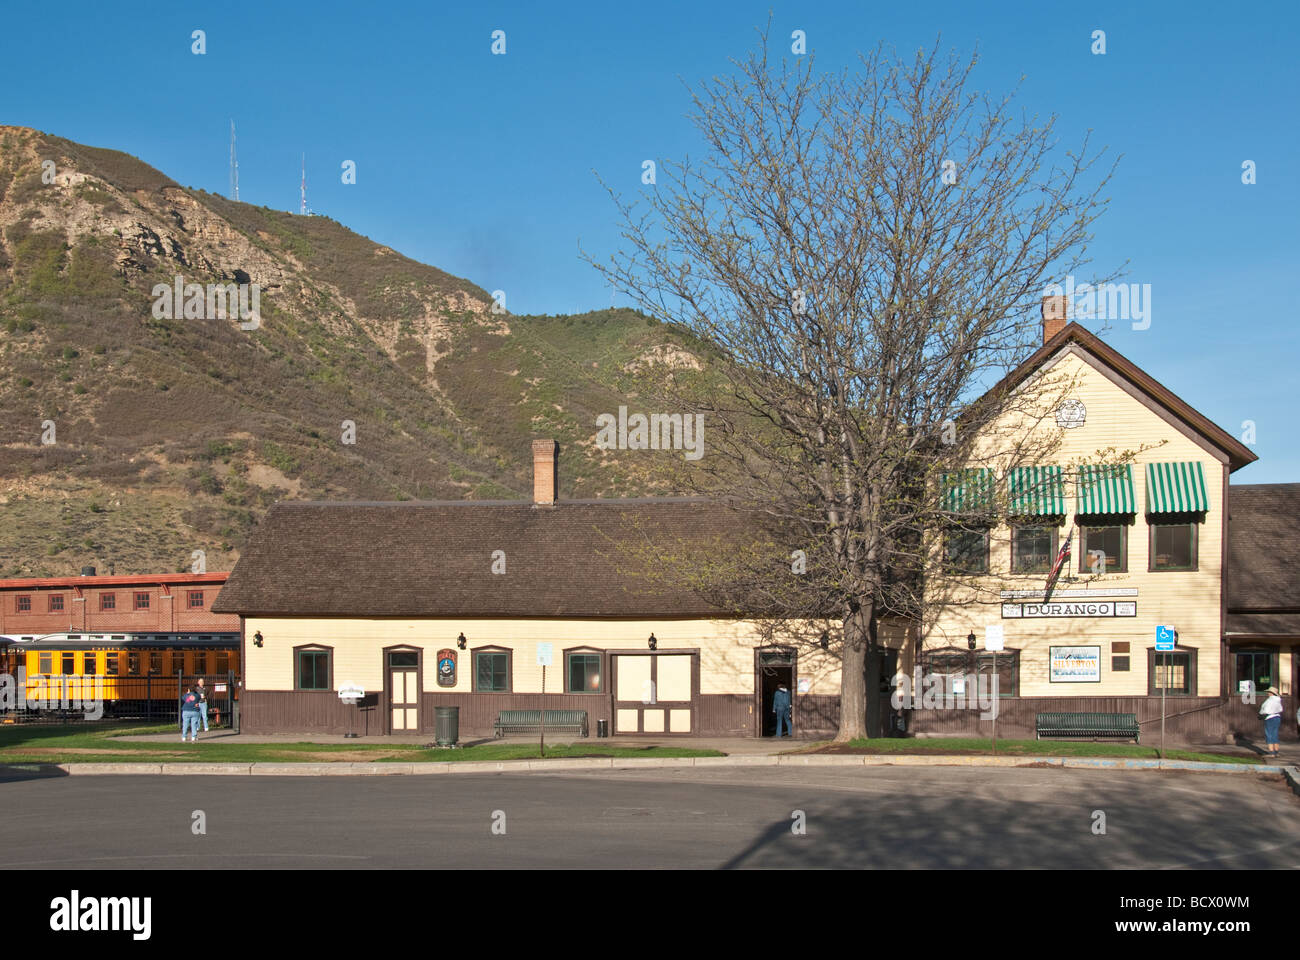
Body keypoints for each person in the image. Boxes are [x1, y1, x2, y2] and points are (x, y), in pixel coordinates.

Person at [1259, 687, 1284, 758]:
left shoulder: (1269, 700)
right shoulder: (1278, 700)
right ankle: (1276, 752)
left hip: (1269, 717)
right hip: (1277, 717)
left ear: (1271, 693)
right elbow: (1280, 709)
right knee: (1275, 734)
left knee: (1269, 734)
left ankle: (1271, 753)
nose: (1268, 693)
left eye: (1269, 692)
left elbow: (1265, 709)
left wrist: (1261, 714)